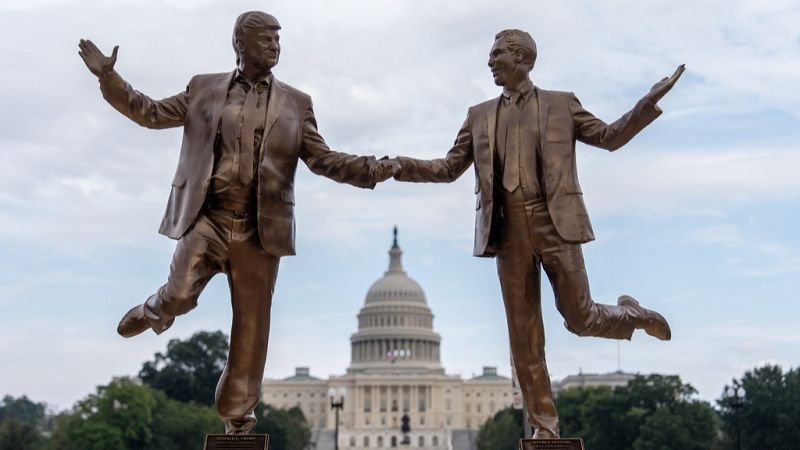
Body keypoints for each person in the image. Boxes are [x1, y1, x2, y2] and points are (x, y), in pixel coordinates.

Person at [78, 11, 394, 434]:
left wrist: (369, 168)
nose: (276, 47)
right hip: (207, 218)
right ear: (241, 44)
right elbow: (149, 112)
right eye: (267, 39)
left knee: (251, 328)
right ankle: (157, 309)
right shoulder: (204, 88)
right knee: (180, 295)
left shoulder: (298, 103)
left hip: (259, 231)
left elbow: (322, 159)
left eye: (279, 40)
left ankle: (237, 416)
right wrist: (109, 79)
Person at [387, 29, 684, 438]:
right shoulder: (478, 115)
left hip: (555, 224)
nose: (490, 62)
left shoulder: (562, 105)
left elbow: (609, 137)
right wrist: (399, 166)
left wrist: (646, 104)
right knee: (524, 339)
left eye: (497, 55)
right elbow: (447, 168)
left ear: (522, 58)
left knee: (579, 318)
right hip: (507, 232)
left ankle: (634, 314)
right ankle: (545, 428)